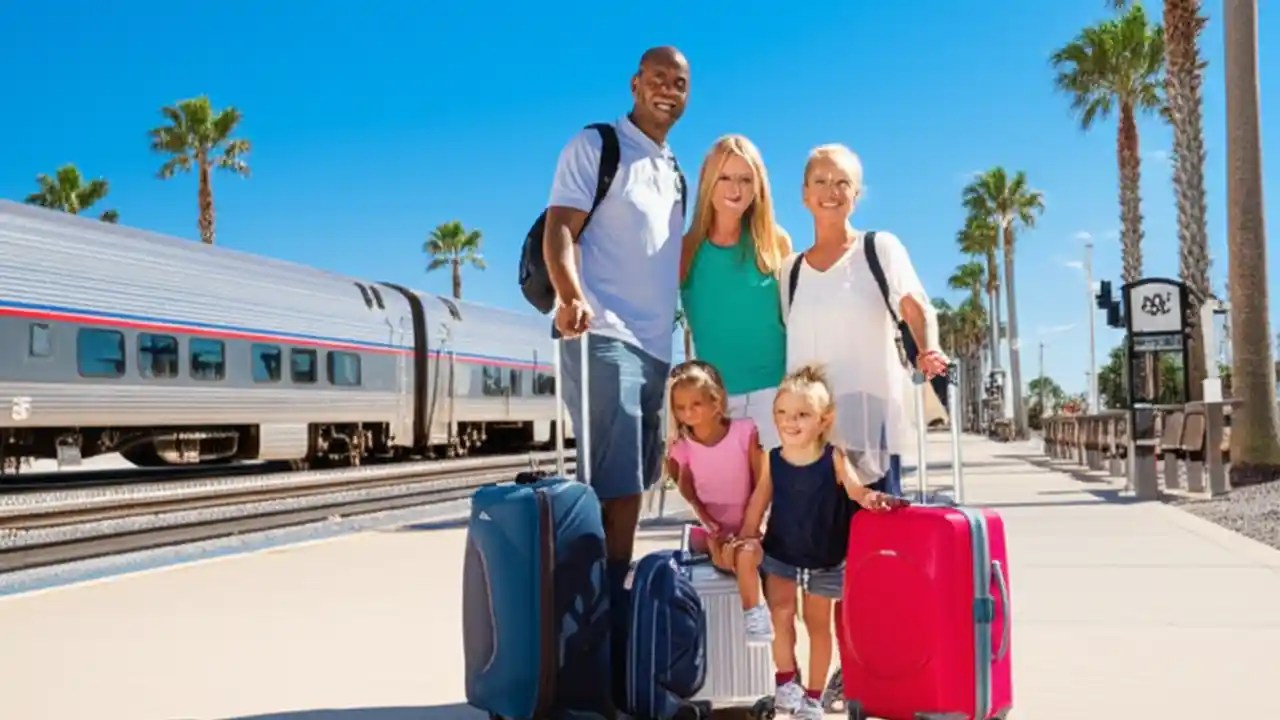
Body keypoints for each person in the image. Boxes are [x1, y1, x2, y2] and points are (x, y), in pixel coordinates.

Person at [540, 45, 691, 687]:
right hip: (603, 332)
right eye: (658, 78)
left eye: (680, 83)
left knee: (634, 486)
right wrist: (571, 296)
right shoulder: (598, 145)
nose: (668, 89)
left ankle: (605, 621)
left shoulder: (676, 170)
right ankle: (590, 638)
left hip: (659, 345)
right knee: (618, 484)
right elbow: (559, 229)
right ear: (635, 83)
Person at [779, 143, 948, 496]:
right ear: (804, 194)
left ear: (856, 193)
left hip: (870, 419)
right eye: (821, 180)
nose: (831, 191)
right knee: (816, 539)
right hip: (809, 425)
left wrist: (928, 348)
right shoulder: (790, 270)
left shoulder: (878, 248)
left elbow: (914, 304)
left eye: (842, 181)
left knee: (879, 534)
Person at [739, 364, 904, 720]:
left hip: (826, 558)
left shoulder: (834, 457)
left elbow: (856, 489)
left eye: (802, 414)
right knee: (780, 615)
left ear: (824, 420)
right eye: (782, 413)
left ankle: (813, 698)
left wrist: (871, 500)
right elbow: (758, 500)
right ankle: (786, 681)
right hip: (781, 553)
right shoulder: (772, 460)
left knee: (818, 628)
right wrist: (748, 534)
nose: (790, 421)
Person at [679, 134, 792, 449]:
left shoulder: (774, 241)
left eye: (745, 179)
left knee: (777, 495)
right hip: (716, 401)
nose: (735, 189)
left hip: (775, 396)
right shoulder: (686, 249)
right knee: (727, 497)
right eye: (724, 177)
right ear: (708, 183)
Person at [664, 360, 772, 645]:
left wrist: (752, 525)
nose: (688, 413)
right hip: (714, 531)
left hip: (753, 527)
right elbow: (690, 494)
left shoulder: (745, 431)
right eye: (680, 407)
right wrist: (712, 527)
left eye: (696, 404)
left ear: (717, 401)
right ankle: (754, 615)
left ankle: (756, 617)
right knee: (727, 555)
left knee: (745, 554)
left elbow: (762, 479)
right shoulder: (681, 447)